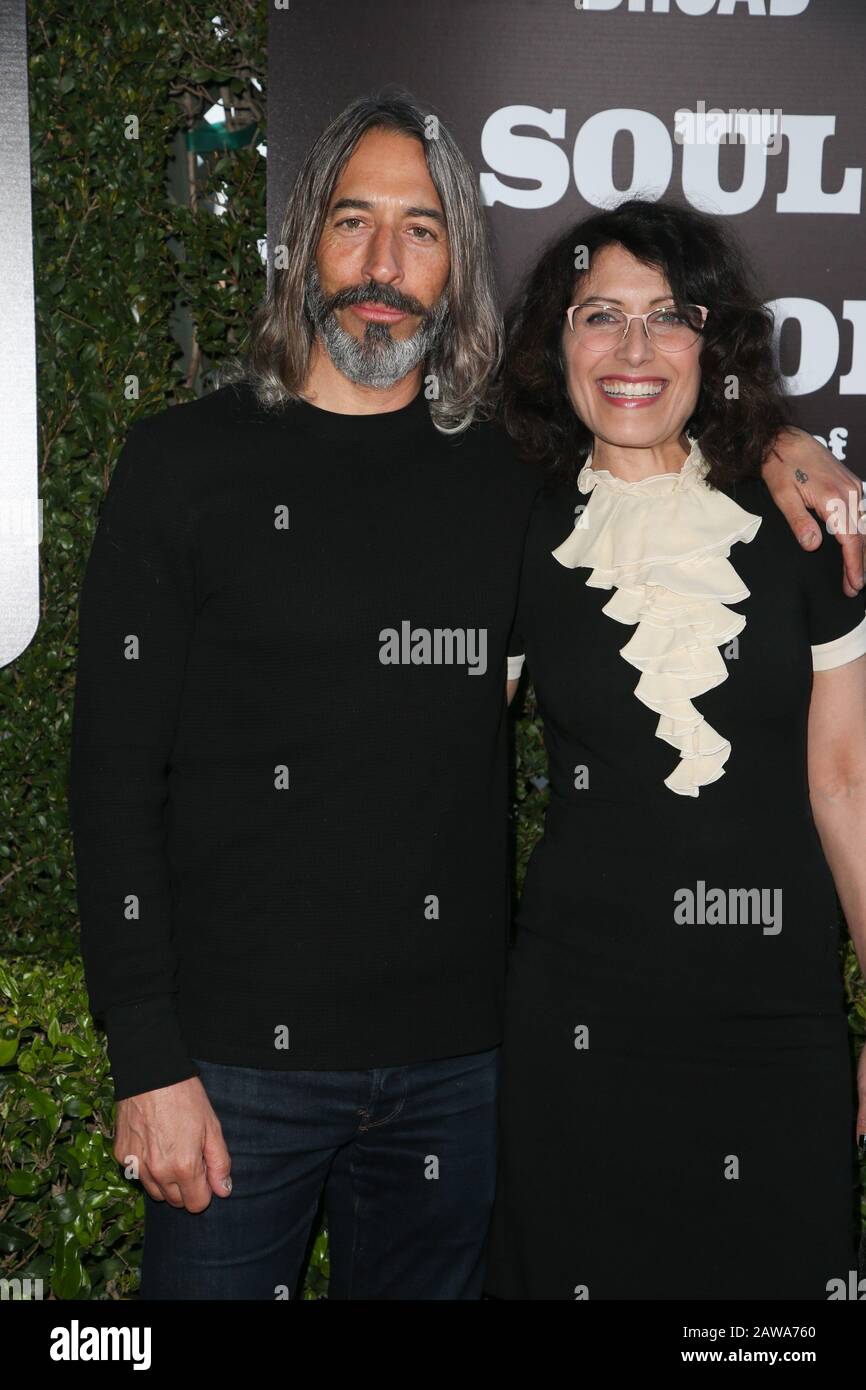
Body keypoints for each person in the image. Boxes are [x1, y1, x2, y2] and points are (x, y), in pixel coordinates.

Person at [68, 92, 863, 1302]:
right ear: (303, 240)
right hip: (237, 1075)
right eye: (354, 222)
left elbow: (655, 438)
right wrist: (147, 1055)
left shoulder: (503, 476)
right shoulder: (188, 465)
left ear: (456, 272)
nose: (383, 264)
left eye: (422, 230)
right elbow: (113, 777)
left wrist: (779, 443)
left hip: (463, 1069)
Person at [484, 198, 866, 1300]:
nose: (633, 350)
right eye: (599, 315)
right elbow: (436, 761)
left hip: (771, 1019)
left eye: (668, 316)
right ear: (556, 342)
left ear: (716, 342)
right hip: (576, 1022)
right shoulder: (516, 530)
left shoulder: (801, 525)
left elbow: (844, 782)